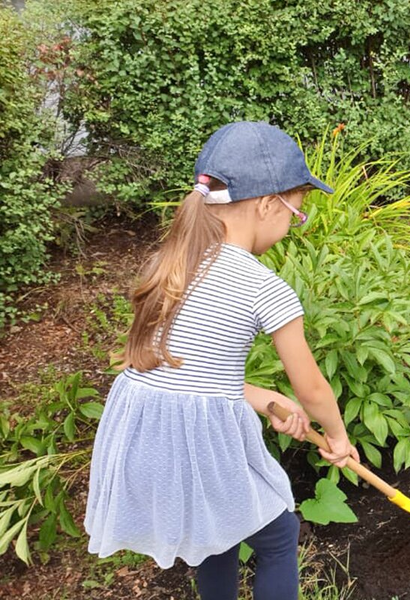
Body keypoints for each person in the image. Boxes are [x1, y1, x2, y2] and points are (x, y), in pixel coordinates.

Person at [85, 121, 361, 600]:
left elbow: (168, 364)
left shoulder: (171, 262)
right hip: (197, 438)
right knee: (276, 536)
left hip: (144, 428)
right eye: (296, 213)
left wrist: (260, 396)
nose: (293, 225)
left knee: (216, 532)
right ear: (266, 204)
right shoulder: (263, 287)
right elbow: (313, 388)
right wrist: (337, 438)